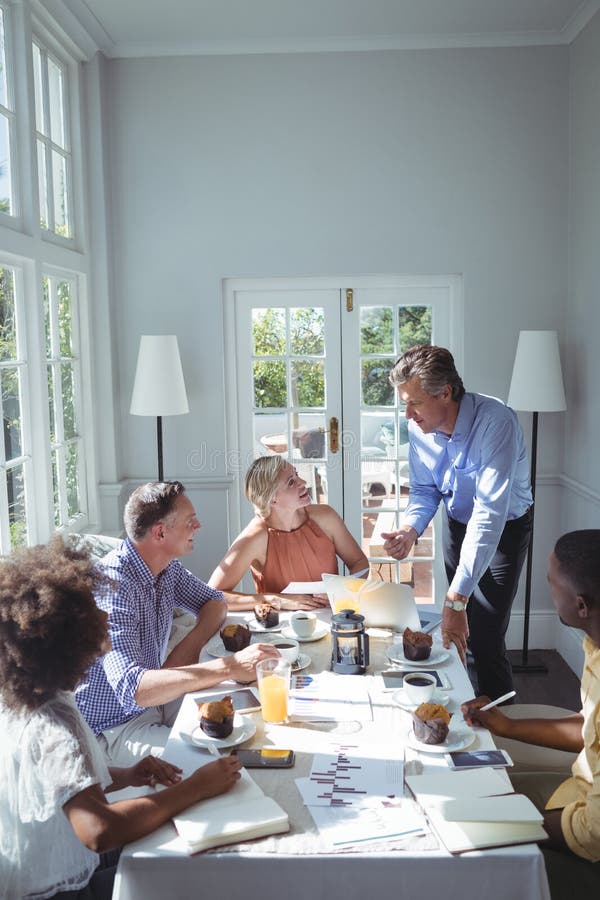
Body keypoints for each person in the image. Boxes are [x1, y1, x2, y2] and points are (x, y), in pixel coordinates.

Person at [0, 536, 242, 900]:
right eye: (92, 609)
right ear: (67, 637)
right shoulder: (50, 727)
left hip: (67, 864)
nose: (105, 614)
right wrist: (196, 788)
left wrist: (125, 775)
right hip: (60, 889)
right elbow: (98, 830)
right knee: (202, 873)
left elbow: (57, 785)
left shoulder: (42, 697)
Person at [76, 481, 279, 766]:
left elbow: (214, 602)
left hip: (156, 699)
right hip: (114, 727)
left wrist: (186, 649)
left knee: (250, 719)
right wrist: (229, 666)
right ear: (160, 532)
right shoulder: (115, 589)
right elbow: (133, 689)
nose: (198, 526)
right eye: (189, 521)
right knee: (220, 759)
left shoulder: (165, 567)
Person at [382, 344, 532, 699]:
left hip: (503, 529)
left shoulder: (497, 423)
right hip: (457, 520)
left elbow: (489, 512)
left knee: (486, 634)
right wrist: (410, 529)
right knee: (457, 632)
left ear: (445, 392)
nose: (408, 414)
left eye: (414, 402)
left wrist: (455, 599)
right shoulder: (420, 431)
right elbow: (423, 490)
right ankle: (462, 711)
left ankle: (500, 725)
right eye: (404, 402)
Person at [462, 530, 600, 899]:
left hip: (590, 848)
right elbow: (590, 730)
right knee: (470, 794)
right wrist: (506, 726)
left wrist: (518, 827)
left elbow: (593, 831)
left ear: (582, 605)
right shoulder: (595, 643)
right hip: (579, 796)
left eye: (552, 584)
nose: (548, 593)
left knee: (466, 856)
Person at [209, 456, 368, 611]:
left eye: (297, 475)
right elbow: (212, 596)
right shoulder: (255, 537)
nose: (304, 483)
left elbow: (360, 562)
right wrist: (274, 599)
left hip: (332, 617)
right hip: (280, 628)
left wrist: (344, 592)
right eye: (291, 482)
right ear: (272, 499)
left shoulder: (325, 517)